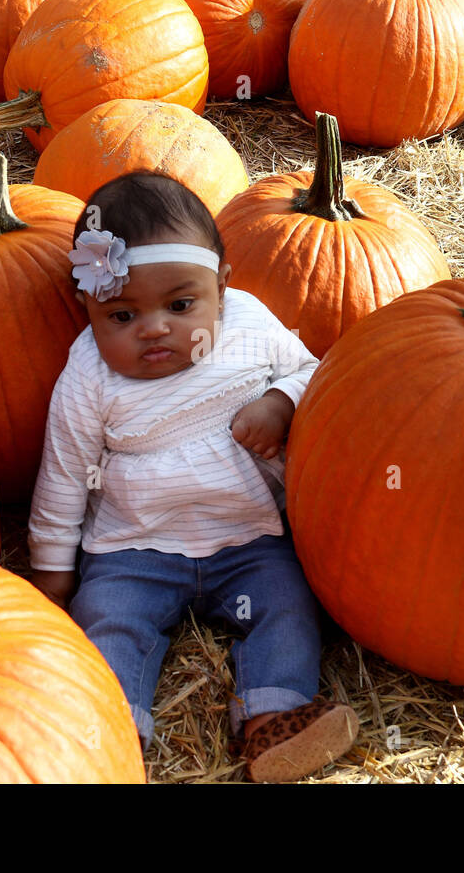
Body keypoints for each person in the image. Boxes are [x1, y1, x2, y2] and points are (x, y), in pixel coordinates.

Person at [27, 172, 357, 782]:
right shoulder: (87, 376)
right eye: (122, 313)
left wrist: (282, 402)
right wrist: (52, 568)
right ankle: (110, 728)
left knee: (288, 608)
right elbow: (65, 473)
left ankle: (271, 716)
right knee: (108, 620)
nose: (154, 328)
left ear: (222, 289)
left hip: (251, 538)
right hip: (134, 548)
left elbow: (319, 373)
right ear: (89, 307)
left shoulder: (252, 324)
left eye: (181, 306)